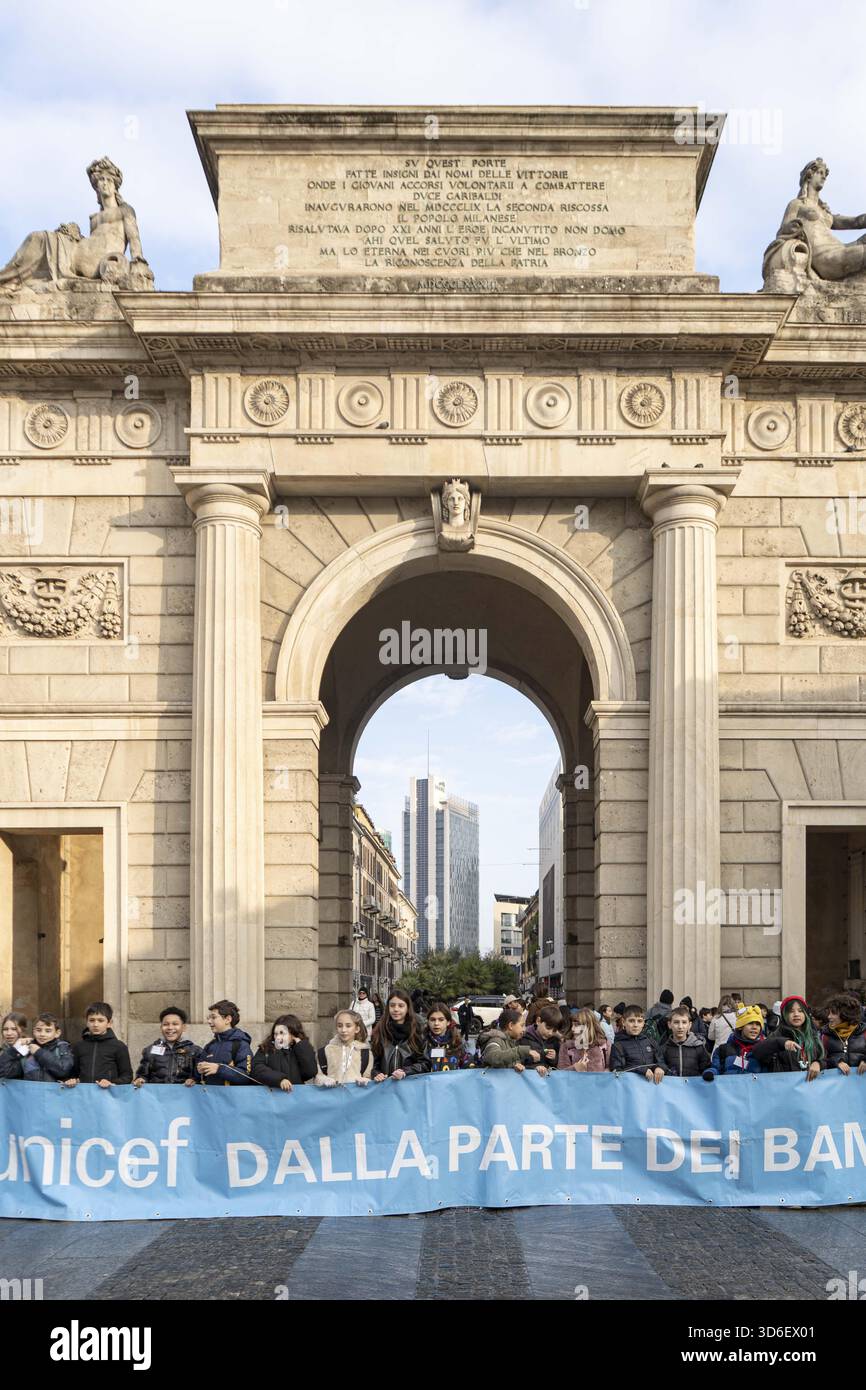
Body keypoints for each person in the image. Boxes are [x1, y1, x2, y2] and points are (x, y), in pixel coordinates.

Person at [703, 1004, 783, 1079]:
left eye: (758, 1024)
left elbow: (769, 1076)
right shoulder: (723, 1050)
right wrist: (710, 1073)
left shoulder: (764, 1050)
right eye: (750, 1023)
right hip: (730, 1092)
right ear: (741, 1027)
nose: (754, 1027)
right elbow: (716, 1069)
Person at [64, 1002, 132, 1086]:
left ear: (109, 1023)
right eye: (92, 1020)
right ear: (87, 1022)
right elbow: (72, 1074)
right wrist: (72, 1080)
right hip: (84, 1096)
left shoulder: (119, 1047)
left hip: (108, 1096)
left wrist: (112, 1083)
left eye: (100, 1020)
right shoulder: (79, 1047)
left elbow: (127, 1076)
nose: (95, 1024)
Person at [371, 988, 431, 1081]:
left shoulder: (418, 1031)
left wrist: (405, 1072)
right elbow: (374, 1063)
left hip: (409, 1087)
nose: (396, 1009)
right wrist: (377, 1074)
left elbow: (424, 1063)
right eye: (392, 1005)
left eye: (401, 1006)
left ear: (407, 1008)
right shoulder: (380, 1031)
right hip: (385, 1087)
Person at [133, 1006, 202, 1086]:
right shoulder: (150, 1050)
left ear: (184, 1027)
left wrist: (194, 1080)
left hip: (184, 1097)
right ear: (161, 1027)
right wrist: (140, 1079)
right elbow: (142, 1075)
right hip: (157, 1097)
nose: (170, 1028)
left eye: (175, 1024)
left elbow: (201, 1077)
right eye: (166, 1024)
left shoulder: (195, 1051)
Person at [196, 999, 255, 1085]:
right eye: (209, 1018)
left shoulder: (240, 1044)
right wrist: (197, 1073)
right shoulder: (210, 1045)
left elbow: (247, 1076)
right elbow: (199, 1076)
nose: (209, 1021)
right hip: (210, 1097)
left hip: (232, 1097)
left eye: (213, 1017)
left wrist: (219, 1069)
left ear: (227, 1019)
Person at [252, 1014, 317, 1091]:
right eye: (276, 1033)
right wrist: (280, 1079)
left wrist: (300, 1045)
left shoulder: (300, 1049)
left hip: (296, 1097)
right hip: (272, 1097)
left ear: (292, 1033)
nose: (278, 1037)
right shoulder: (266, 1049)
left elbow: (310, 1072)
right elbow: (256, 1069)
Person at [765, 996, 824, 1080]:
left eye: (800, 1011)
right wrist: (781, 1043)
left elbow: (825, 1059)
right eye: (791, 1011)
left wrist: (819, 1063)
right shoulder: (776, 1035)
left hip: (811, 1088)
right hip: (785, 1087)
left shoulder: (814, 1036)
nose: (796, 1014)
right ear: (784, 1014)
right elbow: (758, 1052)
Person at [481, 1007, 548, 1075]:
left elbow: (507, 1062)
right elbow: (493, 1057)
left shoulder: (512, 1041)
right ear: (511, 1025)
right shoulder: (495, 1040)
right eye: (521, 1025)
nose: (524, 1029)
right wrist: (520, 1051)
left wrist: (518, 1067)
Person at [608, 1005, 667, 1083]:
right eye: (631, 1021)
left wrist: (659, 1067)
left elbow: (662, 1062)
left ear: (643, 1023)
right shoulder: (618, 1045)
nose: (635, 1025)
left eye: (639, 1021)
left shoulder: (650, 1041)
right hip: (631, 1089)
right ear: (623, 1022)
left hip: (652, 1088)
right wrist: (640, 1069)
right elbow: (617, 1071)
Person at [316, 1010, 374, 1086]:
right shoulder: (324, 1052)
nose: (343, 1030)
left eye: (348, 1026)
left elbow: (368, 1077)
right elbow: (318, 1076)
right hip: (331, 1095)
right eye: (340, 1026)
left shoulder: (366, 1053)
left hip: (355, 1096)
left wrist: (366, 1080)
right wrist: (323, 1080)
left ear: (357, 1029)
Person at [18, 1013, 74, 1082]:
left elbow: (63, 1071)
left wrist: (39, 1052)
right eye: (38, 1030)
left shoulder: (62, 1048)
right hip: (30, 1091)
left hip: (54, 1092)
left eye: (48, 1031)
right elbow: (7, 1072)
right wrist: (14, 1048)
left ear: (57, 1033)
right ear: (33, 1031)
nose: (42, 1034)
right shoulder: (27, 1048)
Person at [661, 1006, 712, 1077]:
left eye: (684, 1022)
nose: (680, 1027)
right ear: (669, 1024)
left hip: (693, 1087)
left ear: (689, 1025)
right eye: (676, 1022)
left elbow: (706, 1068)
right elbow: (660, 1066)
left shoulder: (699, 1047)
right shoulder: (664, 1049)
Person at [821, 994, 866, 1074]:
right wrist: (836, 1062)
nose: (829, 1017)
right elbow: (820, 1060)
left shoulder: (864, 1032)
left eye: (833, 1013)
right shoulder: (825, 1035)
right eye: (829, 1013)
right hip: (836, 1085)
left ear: (845, 1014)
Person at [423, 1000, 471, 1071]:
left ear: (448, 1022)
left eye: (441, 1020)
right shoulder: (422, 1041)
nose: (436, 1023)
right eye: (432, 1020)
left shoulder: (457, 1042)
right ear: (428, 1021)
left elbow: (467, 1064)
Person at [523, 1004, 562, 1069]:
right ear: (538, 1021)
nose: (550, 1033)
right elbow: (519, 1062)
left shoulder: (555, 1041)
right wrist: (533, 1062)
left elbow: (557, 1065)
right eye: (548, 1028)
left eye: (554, 1030)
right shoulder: (525, 1037)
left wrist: (554, 1058)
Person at [0, 1012, 31, 1079]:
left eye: (14, 1029)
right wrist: (14, 1049)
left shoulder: (30, 1050)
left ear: (23, 1030)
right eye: (5, 1029)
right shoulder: (3, 1051)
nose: (9, 1033)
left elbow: (7, 1073)